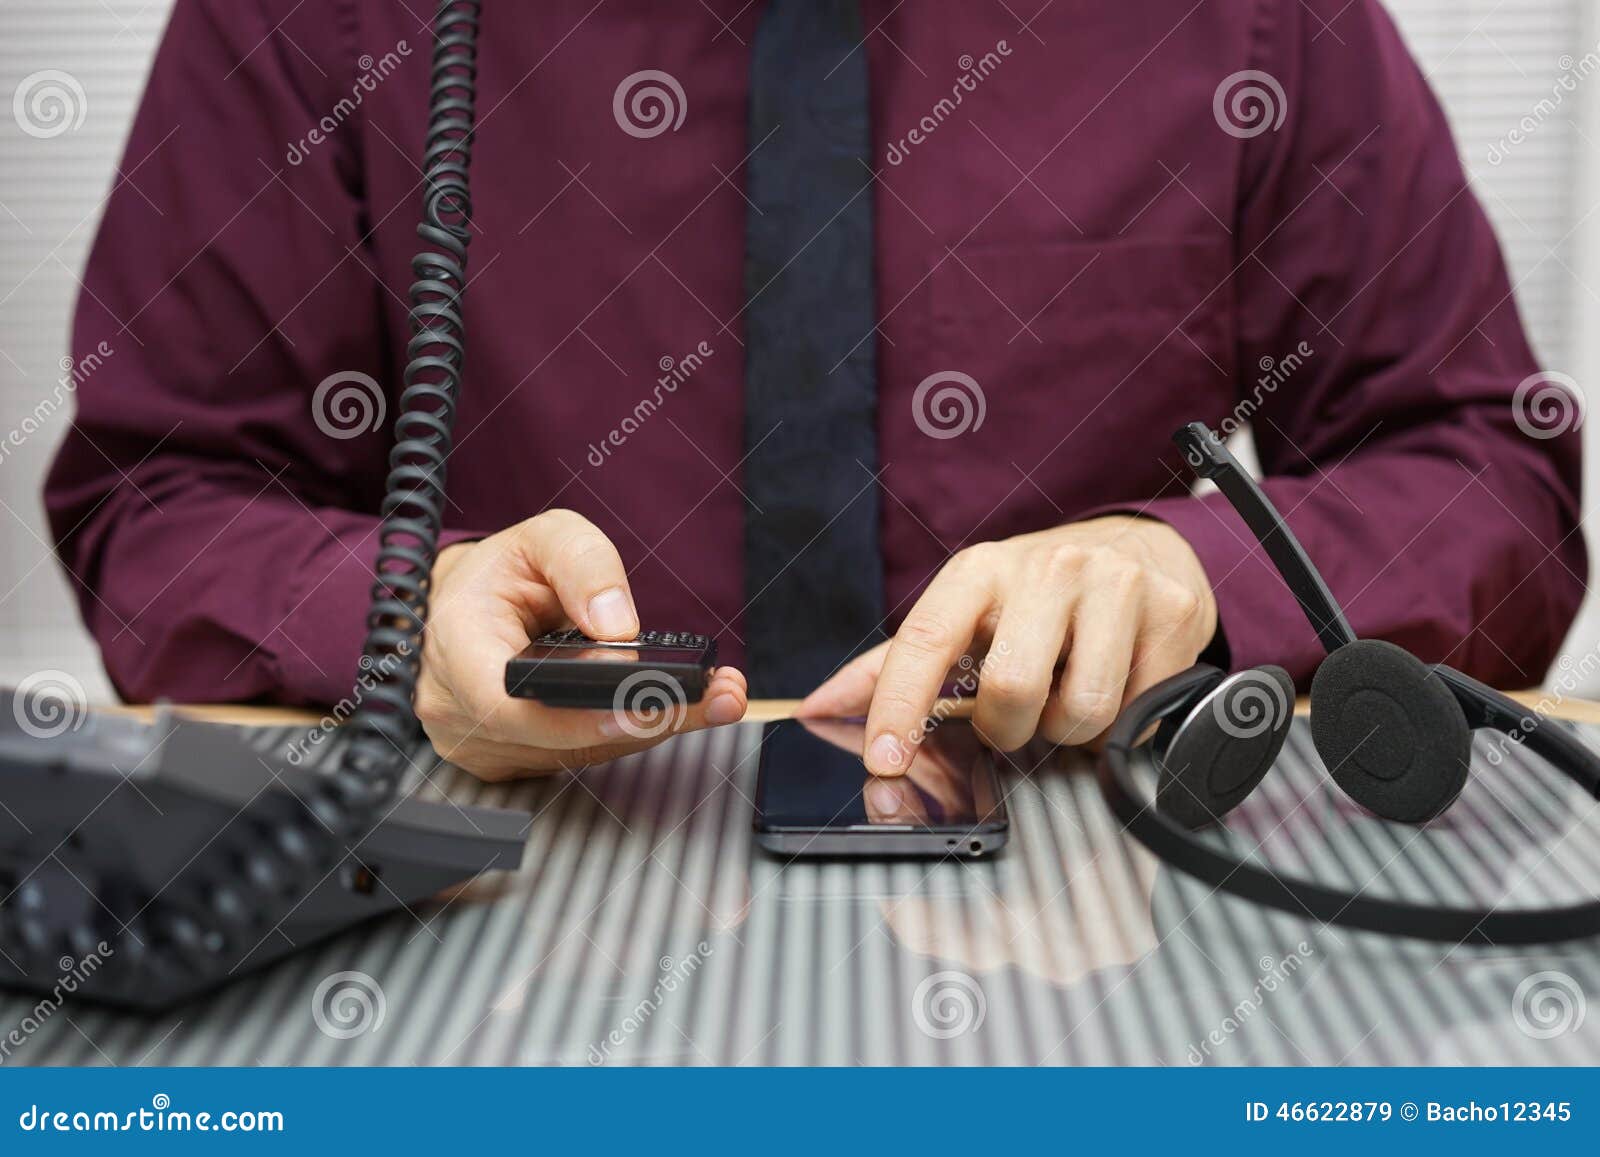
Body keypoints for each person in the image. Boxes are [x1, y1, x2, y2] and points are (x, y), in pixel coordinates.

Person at [46, 0, 1584, 782]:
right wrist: (398, 618)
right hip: (491, 923)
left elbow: (1483, 470)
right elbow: (160, 498)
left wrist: (1199, 571)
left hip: (1114, 936)